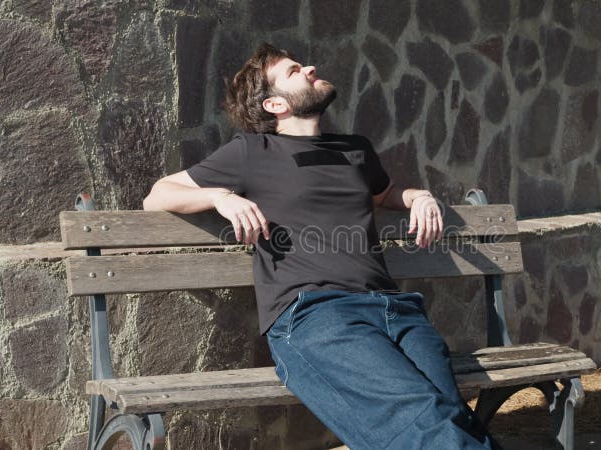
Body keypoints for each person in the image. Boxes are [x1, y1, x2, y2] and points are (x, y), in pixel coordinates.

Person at [143, 43, 502, 450]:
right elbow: (157, 195)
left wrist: (418, 196)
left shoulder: (354, 149)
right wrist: (220, 197)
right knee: (425, 421)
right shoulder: (252, 152)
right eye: (296, 70)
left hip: (394, 309)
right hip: (316, 316)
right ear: (275, 103)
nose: (310, 68)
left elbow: (384, 195)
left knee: (453, 418)